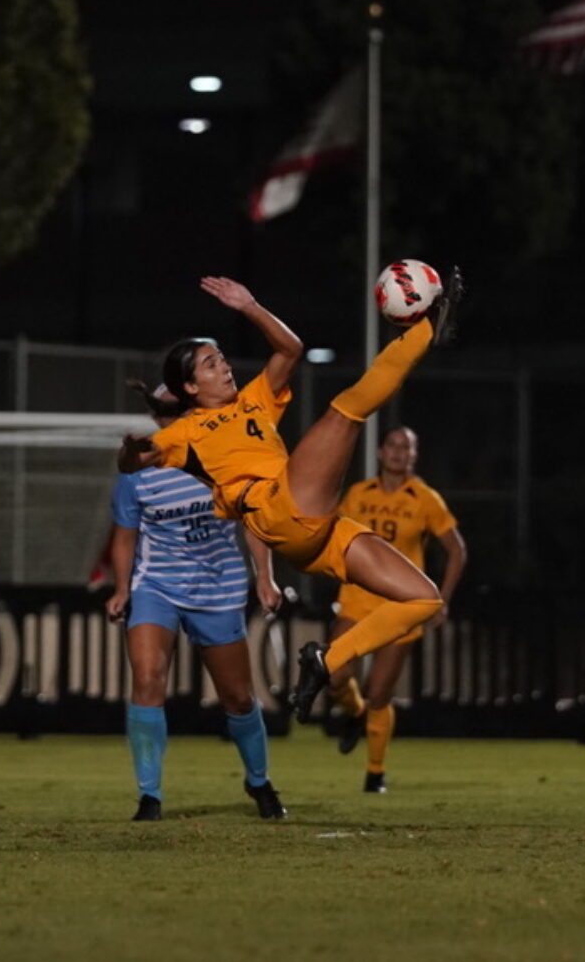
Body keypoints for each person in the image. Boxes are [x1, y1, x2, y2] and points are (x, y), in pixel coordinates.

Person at [118, 271, 460, 723]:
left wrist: (249, 305)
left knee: (424, 598)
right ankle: (427, 329)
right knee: (346, 411)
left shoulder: (255, 398)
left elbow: (291, 349)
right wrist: (130, 449)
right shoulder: (186, 432)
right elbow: (134, 463)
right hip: (278, 509)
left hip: (313, 531)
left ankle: (328, 662)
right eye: (210, 364)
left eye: (221, 358)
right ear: (191, 389)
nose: (224, 367)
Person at [106, 388, 287, 821]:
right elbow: (125, 537)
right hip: (158, 587)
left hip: (218, 589)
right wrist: (121, 589)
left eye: (176, 412)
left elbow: (252, 519)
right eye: (162, 412)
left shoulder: (222, 456)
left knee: (238, 698)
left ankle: (258, 781)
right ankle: (149, 796)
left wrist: (266, 576)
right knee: (148, 679)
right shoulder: (138, 473)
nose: (168, 420)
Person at [326, 426, 467, 794]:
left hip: (402, 607)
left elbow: (457, 550)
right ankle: (354, 714)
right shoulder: (358, 494)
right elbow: (334, 538)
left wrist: (442, 599)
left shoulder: (424, 498)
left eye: (406, 447)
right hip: (357, 600)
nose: (398, 452)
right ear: (380, 452)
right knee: (334, 675)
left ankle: (375, 773)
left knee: (380, 693)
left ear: (414, 456)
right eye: (392, 445)